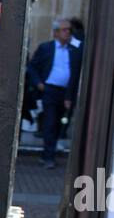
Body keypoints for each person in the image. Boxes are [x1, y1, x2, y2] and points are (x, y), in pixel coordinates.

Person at [26, 18, 81, 168]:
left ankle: (47, 153)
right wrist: (39, 84)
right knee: (50, 123)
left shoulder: (74, 49)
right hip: (49, 90)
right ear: (56, 33)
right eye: (64, 30)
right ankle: (49, 157)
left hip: (66, 93)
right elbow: (32, 67)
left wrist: (70, 96)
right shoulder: (46, 48)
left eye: (69, 30)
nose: (68, 33)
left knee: (60, 125)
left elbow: (77, 72)